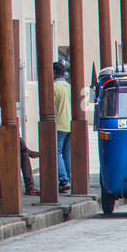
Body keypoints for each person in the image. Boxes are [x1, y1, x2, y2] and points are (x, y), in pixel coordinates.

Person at [0, 84, 37, 195]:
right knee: (20, 145)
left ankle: (30, 186)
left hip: (3, 141)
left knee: (21, 149)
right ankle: (30, 186)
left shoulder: (1, 111)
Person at [53, 60, 73, 193]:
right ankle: (68, 179)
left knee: (56, 152)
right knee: (67, 153)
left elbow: (51, 108)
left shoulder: (53, 87)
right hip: (70, 123)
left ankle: (64, 179)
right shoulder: (68, 86)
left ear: (54, 72)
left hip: (59, 124)